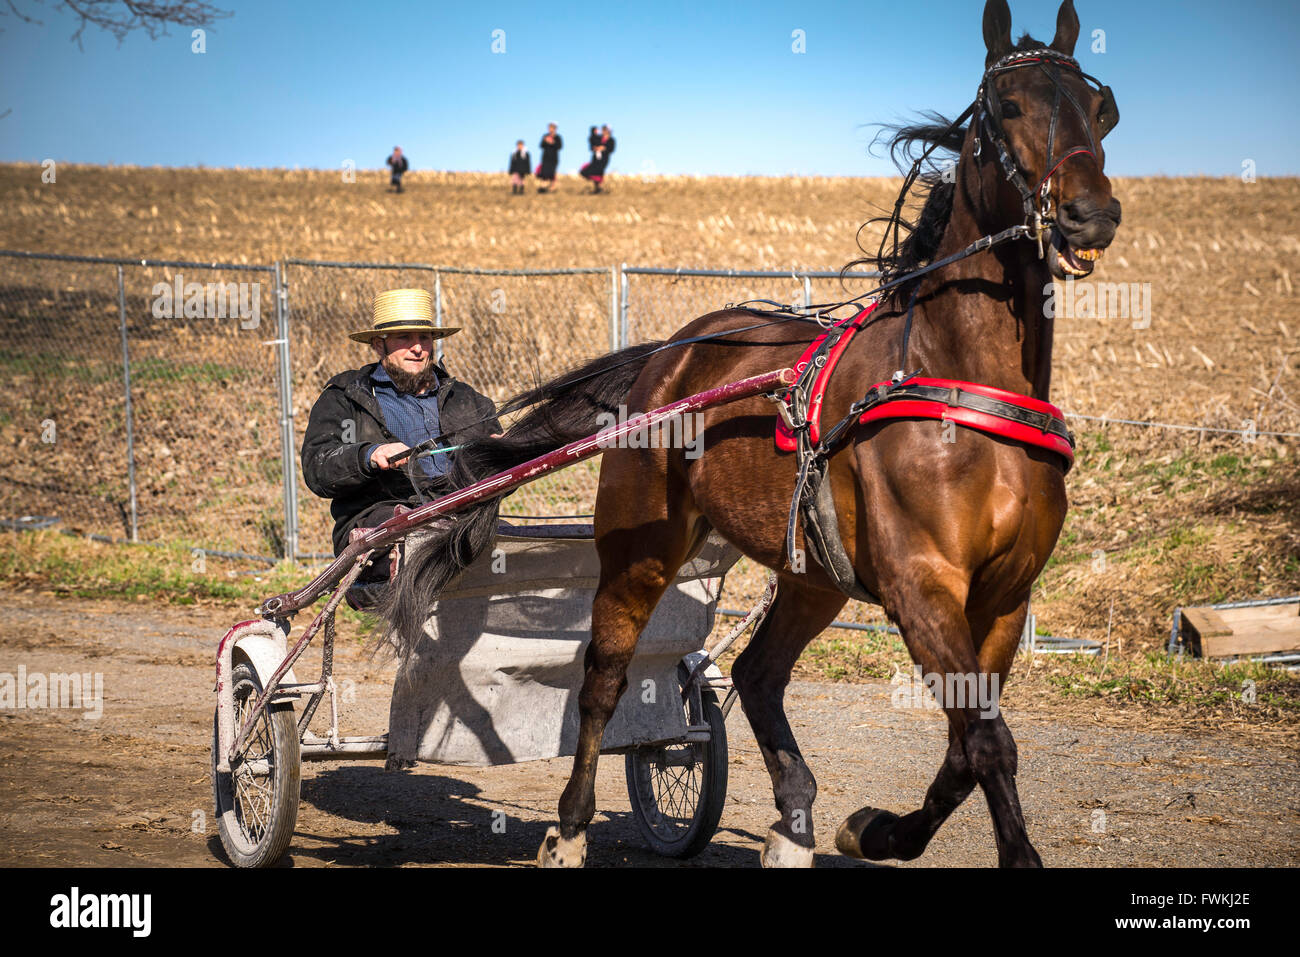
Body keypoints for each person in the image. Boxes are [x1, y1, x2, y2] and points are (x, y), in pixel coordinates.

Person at [301, 289, 499, 597]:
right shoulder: (346, 397)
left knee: (520, 549)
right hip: (379, 521)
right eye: (404, 337)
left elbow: (498, 479)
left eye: (425, 338)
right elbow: (318, 468)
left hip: (463, 520)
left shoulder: (467, 400)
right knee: (421, 539)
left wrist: (502, 457)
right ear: (378, 344)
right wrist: (369, 454)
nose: (418, 348)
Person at [580, 124, 616, 193]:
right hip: (595, 158)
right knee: (590, 171)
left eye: (605, 129)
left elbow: (611, 149)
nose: (603, 131)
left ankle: (600, 188)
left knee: (599, 172)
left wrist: (604, 148)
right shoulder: (598, 138)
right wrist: (595, 148)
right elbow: (591, 142)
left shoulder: (611, 140)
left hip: (604, 159)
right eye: (603, 129)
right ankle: (597, 188)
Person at [536, 123, 562, 193]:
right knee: (544, 173)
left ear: (555, 129)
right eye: (549, 128)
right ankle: (543, 187)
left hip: (554, 158)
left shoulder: (558, 137)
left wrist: (553, 142)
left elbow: (560, 146)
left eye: (552, 128)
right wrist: (546, 141)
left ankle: (552, 188)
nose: (551, 129)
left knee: (552, 173)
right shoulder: (545, 136)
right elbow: (541, 145)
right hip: (545, 158)